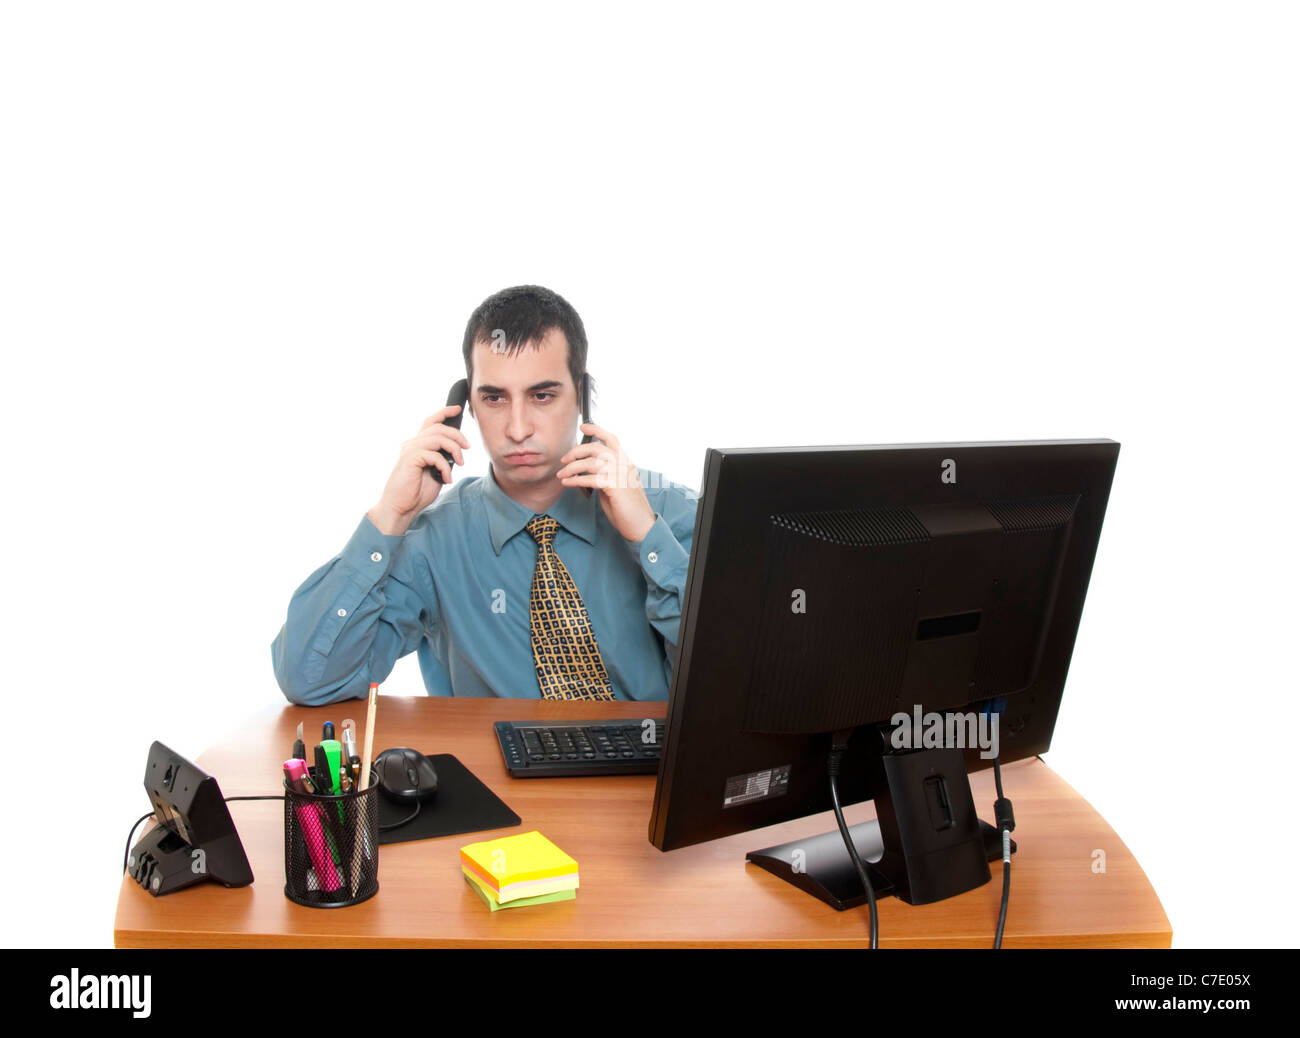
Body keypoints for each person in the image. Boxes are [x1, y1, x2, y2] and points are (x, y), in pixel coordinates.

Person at [272, 285, 698, 705]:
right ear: (468, 407)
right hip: (499, 753)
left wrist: (647, 537)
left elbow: (726, 677)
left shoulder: (666, 511)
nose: (518, 429)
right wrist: (390, 514)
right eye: (494, 398)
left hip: (650, 752)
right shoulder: (433, 542)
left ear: (583, 396)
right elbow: (311, 682)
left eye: (542, 396)